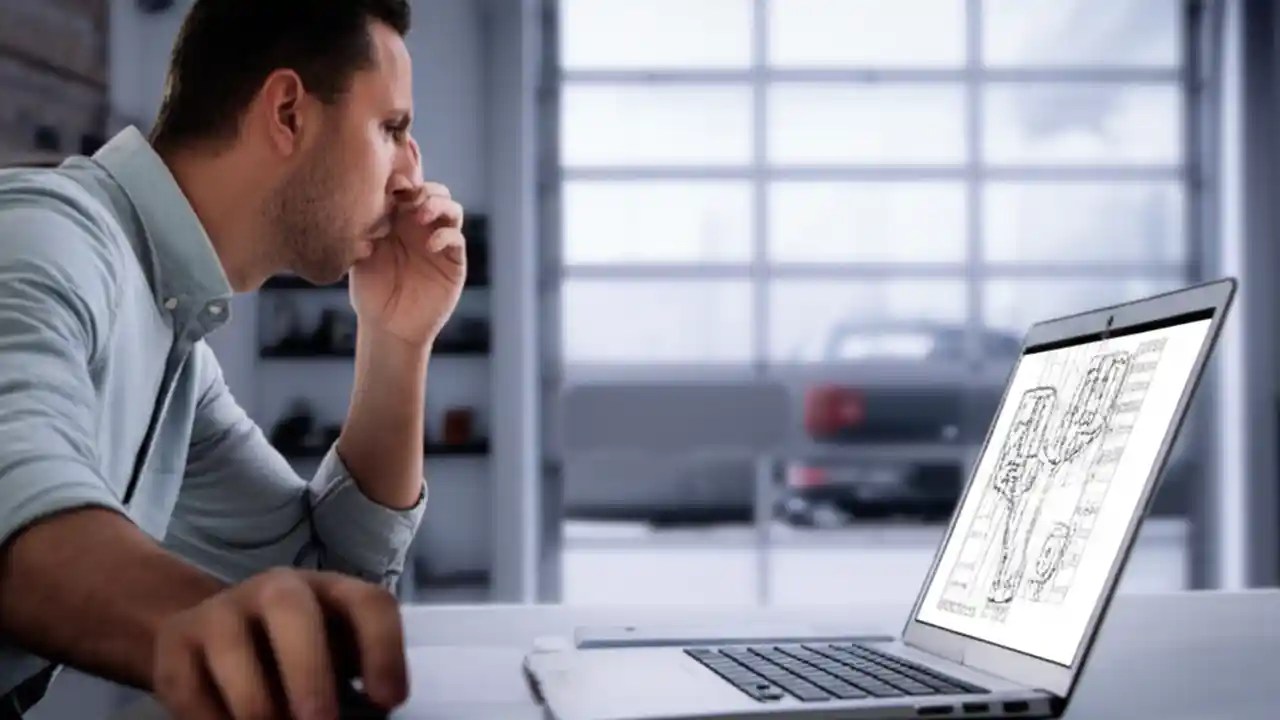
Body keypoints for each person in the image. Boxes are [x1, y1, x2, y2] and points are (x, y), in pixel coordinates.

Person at [0, 1, 464, 717]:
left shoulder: (175, 351)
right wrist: (205, 620)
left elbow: (327, 584)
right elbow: (12, 491)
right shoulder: (48, 237)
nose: (410, 175)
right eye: (392, 128)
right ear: (286, 112)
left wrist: (397, 343)